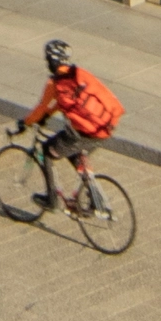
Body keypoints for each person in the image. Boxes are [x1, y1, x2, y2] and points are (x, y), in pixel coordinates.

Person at [13, 36, 122, 218]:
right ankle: (97, 201)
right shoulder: (80, 74)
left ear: (52, 60)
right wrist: (49, 113)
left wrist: (25, 123)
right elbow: (67, 102)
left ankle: (52, 200)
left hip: (82, 132)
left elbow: (40, 108)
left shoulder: (54, 84)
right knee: (75, 154)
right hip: (104, 129)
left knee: (47, 151)